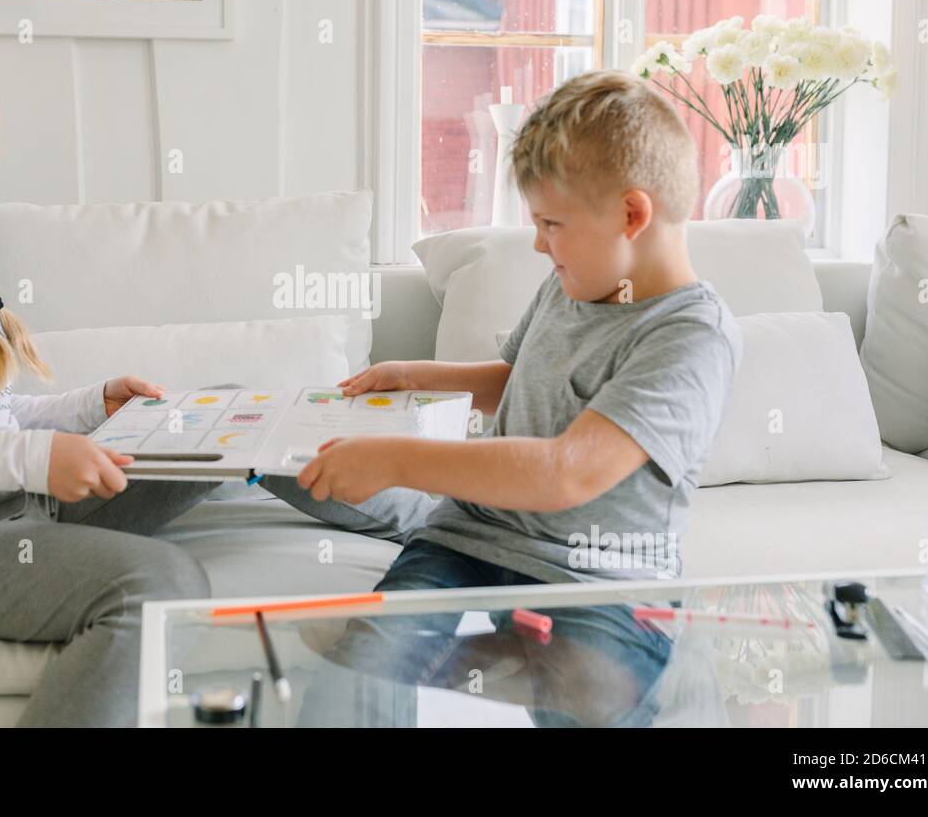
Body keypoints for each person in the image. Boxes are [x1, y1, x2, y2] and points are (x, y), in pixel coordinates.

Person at [0, 28, 433, 727]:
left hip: (1, 501)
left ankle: (437, 523)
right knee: (158, 585)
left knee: (222, 415)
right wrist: (34, 459)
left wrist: (84, 409)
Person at [290, 69, 745, 726]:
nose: (538, 242)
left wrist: (391, 460)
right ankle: (488, 666)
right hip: (467, 543)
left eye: (552, 223)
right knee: (353, 682)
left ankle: (500, 669)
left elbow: (569, 472)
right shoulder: (573, 281)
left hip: (599, 583)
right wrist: (415, 374)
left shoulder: (691, 336)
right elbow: (518, 376)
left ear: (631, 215)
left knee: (593, 698)